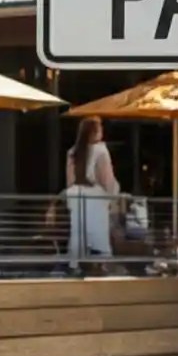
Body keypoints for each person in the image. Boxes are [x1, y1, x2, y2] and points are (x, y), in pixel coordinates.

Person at [63, 116, 119, 271]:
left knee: (78, 235)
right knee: (99, 237)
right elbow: (106, 179)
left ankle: (75, 267)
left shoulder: (72, 152)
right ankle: (101, 268)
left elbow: (69, 181)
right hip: (95, 199)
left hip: (77, 197)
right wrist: (114, 197)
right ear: (94, 132)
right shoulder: (101, 151)